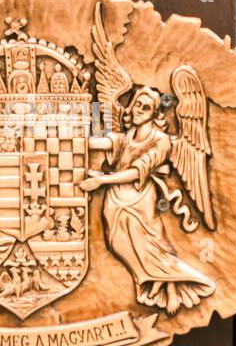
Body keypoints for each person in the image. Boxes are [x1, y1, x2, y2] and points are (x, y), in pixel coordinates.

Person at [79, 87, 214, 315]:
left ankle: (172, 287)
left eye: (147, 107)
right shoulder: (125, 137)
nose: (140, 110)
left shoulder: (162, 141)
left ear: (154, 113)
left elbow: (137, 171)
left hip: (139, 198)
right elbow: (97, 143)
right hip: (114, 200)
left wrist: (103, 181)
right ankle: (153, 281)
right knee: (119, 245)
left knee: (151, 245)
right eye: (138, 104)